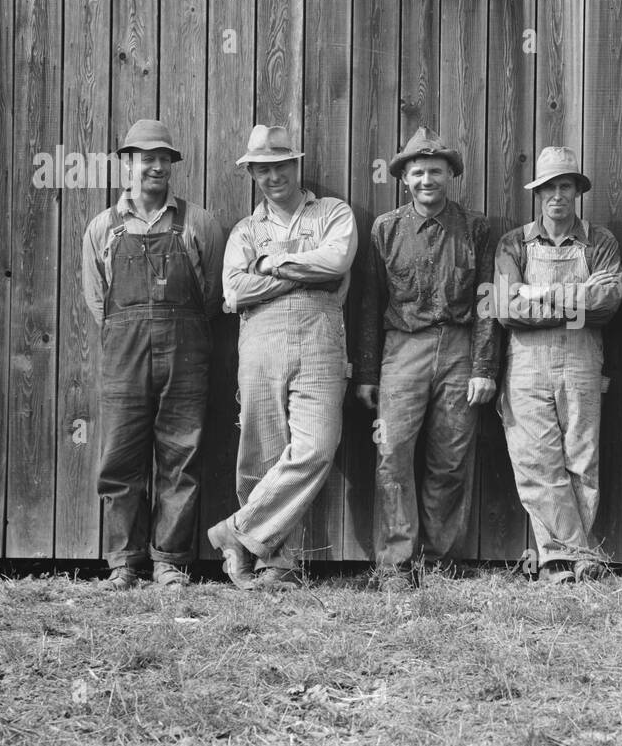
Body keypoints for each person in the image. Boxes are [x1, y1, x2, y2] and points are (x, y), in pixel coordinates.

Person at [205, 126, 357, 590]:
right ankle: (274, 564)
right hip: (260, 341)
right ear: (252, 174)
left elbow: (336, 263)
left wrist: (269, 264)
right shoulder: (246, 230)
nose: (274, 176)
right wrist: (302, 274)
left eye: (281, 166)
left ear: (297, 166)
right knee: (262, 451)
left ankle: (237, 531)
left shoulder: (333, 212)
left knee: (316, 447)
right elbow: (235, 292)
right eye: (263, 169)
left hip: (321, 338)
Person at [81, 119, 225, 589]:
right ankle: (124, 561)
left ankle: (169, 561)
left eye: (163, 158)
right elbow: (98, 300)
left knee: (180, 455)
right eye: (146, 158)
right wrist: (131, 330)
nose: (156, 166)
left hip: (186, 354)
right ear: (127, 164)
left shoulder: (198, 223)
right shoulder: (103, 227)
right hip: (124, 353)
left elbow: (212, 297)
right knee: (120, 457)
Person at [355, 127, 499, 589]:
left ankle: (438, 560)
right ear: (404, 179)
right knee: (392, 452)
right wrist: (367, 371)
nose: (426, 180)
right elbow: (370, 303)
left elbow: (487, 303)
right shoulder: (385, 228)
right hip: (403, 348)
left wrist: (484, 367)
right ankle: (396, 562)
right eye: (417, 172)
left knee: (451, 458)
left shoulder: (476, 228)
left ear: (450, 175)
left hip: (459, 348)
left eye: (435, 171)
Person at [493, 147, 622, 585]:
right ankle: (563, 557)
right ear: (538, 193)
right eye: (548, 187)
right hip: (526, 365)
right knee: (536, 460)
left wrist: (537, 296)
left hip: (583, 361)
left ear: (576, 191)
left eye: (564, 186)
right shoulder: (514, 242)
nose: (557, 195)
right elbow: (506, 309)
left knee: (581, 458)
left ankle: (569, 559)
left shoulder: (601, 241)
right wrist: (576, 296)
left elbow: (606, 305)